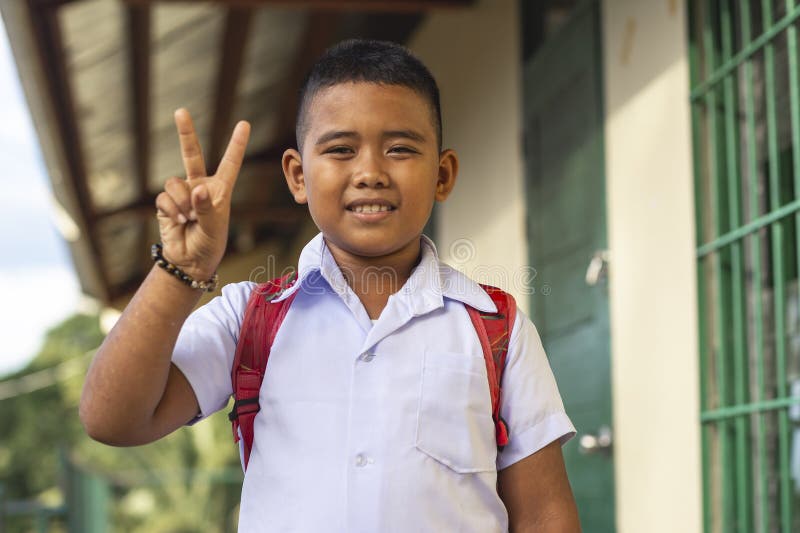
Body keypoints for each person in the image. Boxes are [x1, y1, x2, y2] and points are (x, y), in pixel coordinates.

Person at [80, 39, 580, 532]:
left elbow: (543, 515)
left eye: (400, 149)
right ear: (298, 176)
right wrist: (179, 270)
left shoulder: (495, 328)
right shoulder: (249, 319)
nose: (370, 173)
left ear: (443, 174)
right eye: (341, 149)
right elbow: (112, 418)